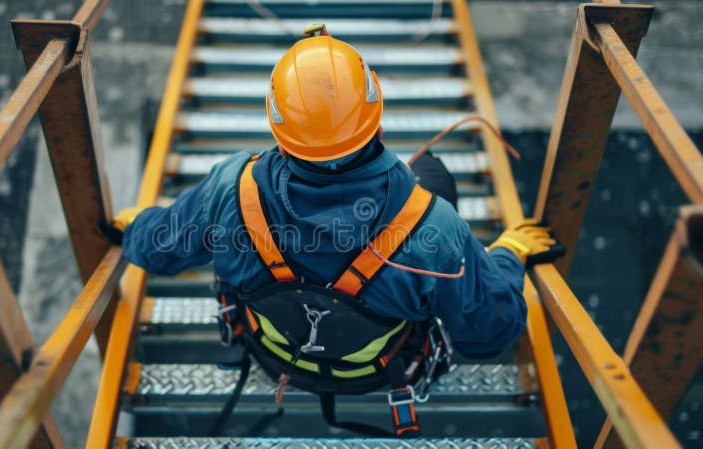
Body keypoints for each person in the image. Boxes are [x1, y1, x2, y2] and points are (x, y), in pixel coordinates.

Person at [110, 29, 561, 436]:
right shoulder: (434, 226)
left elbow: (159, 248)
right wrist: (507, 255)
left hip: (273, 352)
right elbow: (489, 334)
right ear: (377, 118)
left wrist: (133, 229)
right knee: (433, 175)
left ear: (278, 126)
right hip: (376, 369)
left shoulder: (232, 188)